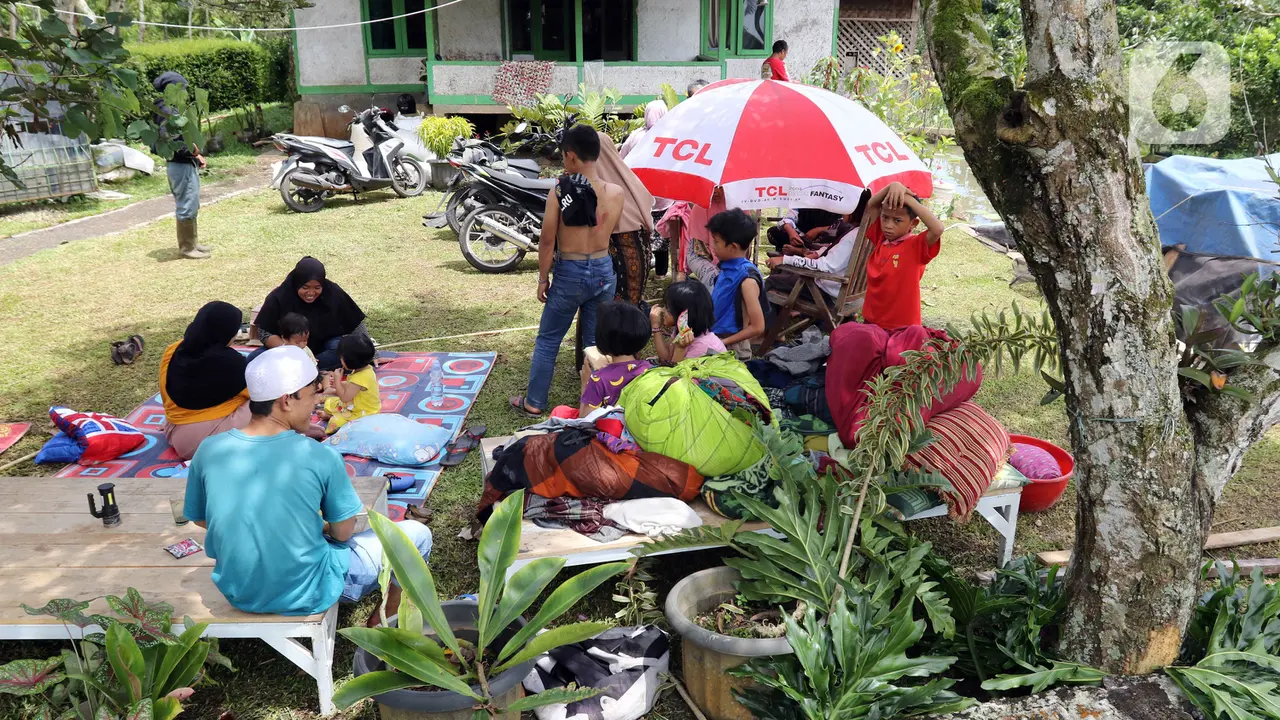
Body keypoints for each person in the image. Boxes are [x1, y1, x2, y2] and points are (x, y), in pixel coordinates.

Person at [183, 345, 433, 619]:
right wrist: (319, 524)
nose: (316, 404)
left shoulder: (209, 449)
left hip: (239, 591)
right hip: (309, 589)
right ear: (287, 399)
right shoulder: (319, 455)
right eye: (314, 395)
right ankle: (386, 618)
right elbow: (342, 533)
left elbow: (202, 519)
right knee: (417, 535)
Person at [511, 125, 624, 417]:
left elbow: (548, 239)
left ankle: (534, 402)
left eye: (564, 156)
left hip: (570, 270)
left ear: (571, 156)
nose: (563, 162)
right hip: (602, 268)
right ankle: (595, 404)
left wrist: (542, 277)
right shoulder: (616, 192)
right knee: (594, 342)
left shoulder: (560, 190)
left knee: (549, 339)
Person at [160, 301, 251, 460]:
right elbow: (258, 393)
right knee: (270, 402)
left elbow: (165, 388)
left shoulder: (173, 350)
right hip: (204, 443)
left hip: (172, 429)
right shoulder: (232, 362)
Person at [252, 257, 369, 371]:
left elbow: (355, 323)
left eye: (317, 288)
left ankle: (305, 369)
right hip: (288, 348)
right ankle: (307, 369)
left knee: (343, 352)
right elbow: (265, 332)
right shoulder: (279, 297)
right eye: (305, 287)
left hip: (325, 348)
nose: (311, 293)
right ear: (297, 283)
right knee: (254, 359)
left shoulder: (333, 292)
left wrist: (369, 355)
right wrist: (291, 352)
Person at [764, 190, 872, 312]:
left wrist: (784, 259)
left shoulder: (851, 236)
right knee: (787, 276)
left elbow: (824, 266)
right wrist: (815, 253)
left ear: (854, 209)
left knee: (773, 281)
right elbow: (835, 251)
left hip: (827, 293)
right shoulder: (862, 232)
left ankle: (765, 325)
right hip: (844, 291)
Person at [861, 181, 946, 328]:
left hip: (902, 325)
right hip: (872, 319)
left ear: (913, 224)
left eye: (897, 220)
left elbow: (937, 229)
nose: (888, 225)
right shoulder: (881, 238)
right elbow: (872, 205)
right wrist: (891, 187)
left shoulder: (915, 246)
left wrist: (908, 199)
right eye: (885, 217)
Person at [594, 131, 655, 309]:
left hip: (624, 254)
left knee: (614, 311)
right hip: (635, 252)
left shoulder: (599, 187)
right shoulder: (629, 180)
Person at [152, 72, 210, 260]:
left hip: (184, 162)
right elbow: (173, 141)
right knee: (186, 204)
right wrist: (192, 152)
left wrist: (196, 154)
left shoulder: (170, 109)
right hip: (179, 164)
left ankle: (193, 243)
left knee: (191, 202)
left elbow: (183, 136)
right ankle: (187, 248)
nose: (185, 93)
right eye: (182, 88)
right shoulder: (168, 112)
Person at [620, 101, 674, 278]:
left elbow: (622, 160)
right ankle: (661, 272)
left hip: (639, 197)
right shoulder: (672, 136)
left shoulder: (635, 136)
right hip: (664, 197)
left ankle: (640, 269)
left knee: (641, 235)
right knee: (663, 235)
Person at [707, 208, 767, 359]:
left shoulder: (747, 280)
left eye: (716, 242)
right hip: (718, 338)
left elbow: (758, 326)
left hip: (734, 348)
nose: (713, 247)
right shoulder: (727, 268)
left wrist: (724, 342)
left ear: (732, 247)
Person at [579, 301, 653, 414]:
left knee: (561, 411)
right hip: (639, 428)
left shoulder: (599, 379)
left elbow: (585, 420)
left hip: (611, 430)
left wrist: (585, 382)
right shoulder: (650, 369)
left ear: (603, 339)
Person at [650, 279, 727, 364]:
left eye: (668, 309)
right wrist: (655, 326)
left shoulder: (702, 346)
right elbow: (666, 357)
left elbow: (674, 374)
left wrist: (680, 349)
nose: (663, 311)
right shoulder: (682, 330)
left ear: (685, 316)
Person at [322, 334, 381, 434]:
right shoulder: (364, 369)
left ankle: (332, 417)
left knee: (334, 422)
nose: (340, 360)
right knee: (329, 403)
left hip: (363, 414)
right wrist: (340, 384)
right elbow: (352, 386)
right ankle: (334, 414)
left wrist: (337, 380)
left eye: (341, 358)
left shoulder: (361, 377)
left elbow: (345, 398)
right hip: (354, 404)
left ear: (350, 360)